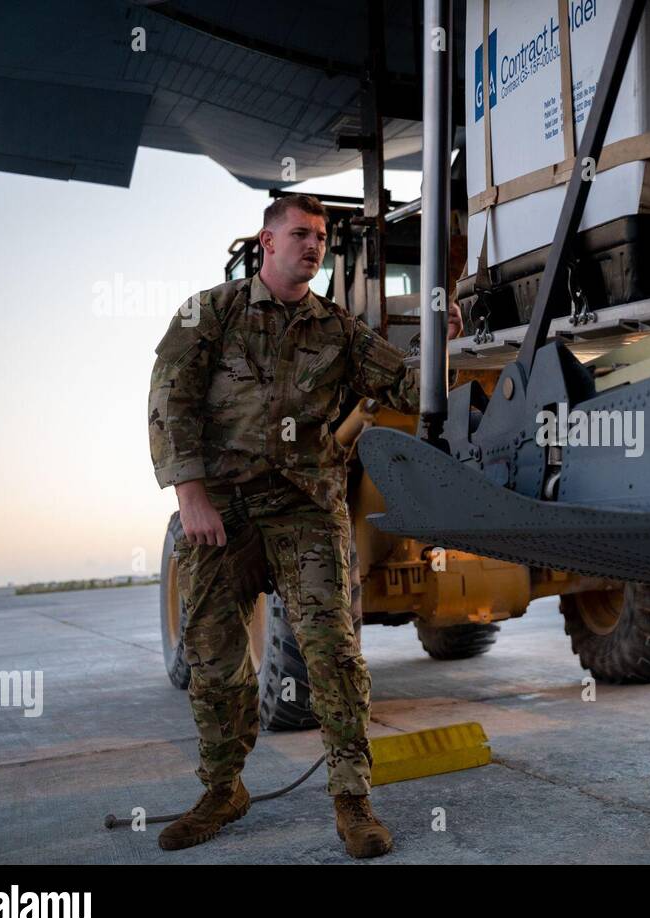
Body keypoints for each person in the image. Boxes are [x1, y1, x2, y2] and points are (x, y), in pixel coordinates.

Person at [147, 193, 448, 858]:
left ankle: (352, 800)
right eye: (301, 234)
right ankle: (223, 788)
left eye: (320, 238)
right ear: (267, 243)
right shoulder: (211, 313)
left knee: (332, 651)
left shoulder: (337, 329)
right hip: (220, 507)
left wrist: (440, 340)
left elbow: (403, 383)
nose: (313, 246)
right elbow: (171, 400)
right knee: (213, 653)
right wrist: (189, 493)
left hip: (305, 508)